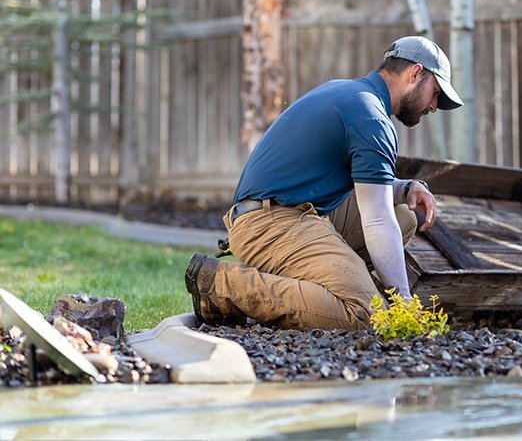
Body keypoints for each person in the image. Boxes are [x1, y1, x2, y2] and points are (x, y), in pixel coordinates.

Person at [183, 36, 463, 330]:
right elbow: (377, 220)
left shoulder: (352, 96)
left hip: (295, 214)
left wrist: (404, 188)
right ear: (415, 73)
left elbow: (370, 191)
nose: (434, 106)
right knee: (365, 315)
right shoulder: (370, 118)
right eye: (435, 92)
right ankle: (221, 285)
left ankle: (333, 291)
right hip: (269, 224)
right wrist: (404, 303)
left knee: (404, 214)